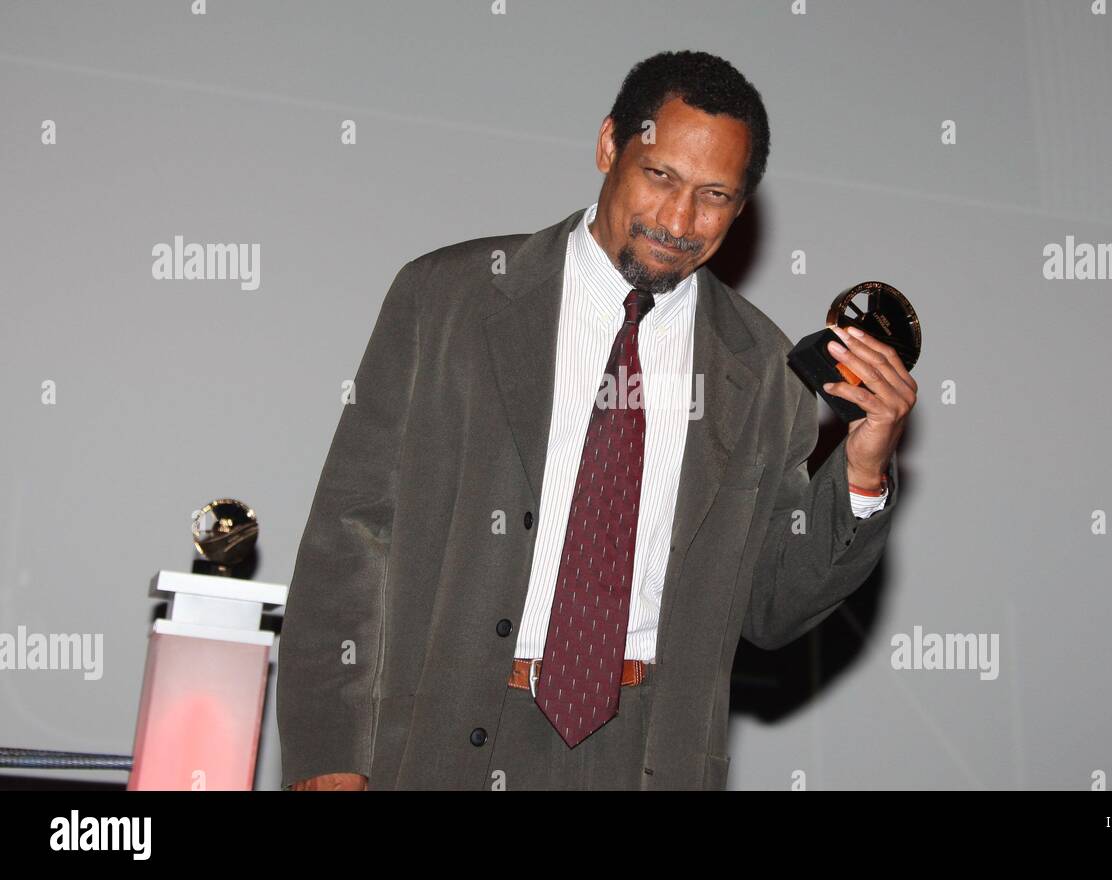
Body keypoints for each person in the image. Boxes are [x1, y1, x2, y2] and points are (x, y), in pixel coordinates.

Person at [277, 49, 915, 791]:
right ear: (610, 144)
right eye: (660, 177)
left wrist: (863, 468)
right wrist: (330, 753)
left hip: (645, 756)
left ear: (743, 206)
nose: (679, 220)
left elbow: (773, 607)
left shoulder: (763, 369)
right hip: (434, 742)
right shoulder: (450, 299)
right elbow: (352, 535)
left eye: (714, 195)